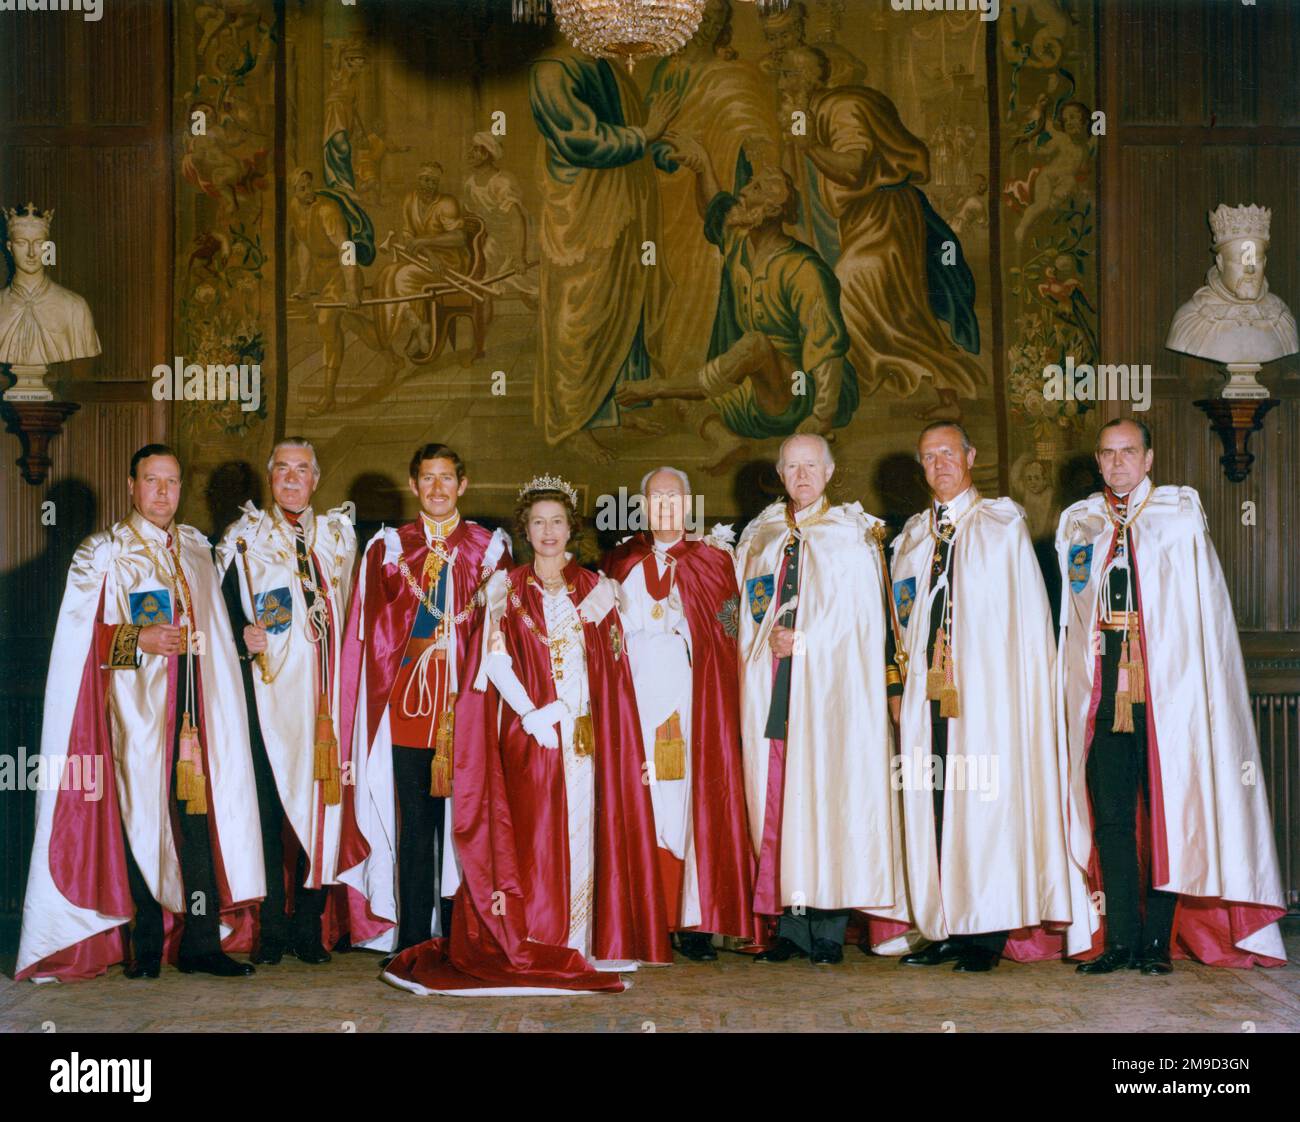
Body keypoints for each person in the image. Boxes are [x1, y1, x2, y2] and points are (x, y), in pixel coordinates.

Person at [16, 444, 263, 981]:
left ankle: (200, 944)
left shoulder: (196, 549)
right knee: (139, 822)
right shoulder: (103, 553)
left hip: (197, 717)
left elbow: (218, 633)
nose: (162, 493)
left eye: (172, 483)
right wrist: (140, 638)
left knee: (197, 826)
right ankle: (144, 945)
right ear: (131, 485)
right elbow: (81, 645)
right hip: (136, 717)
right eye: (152, 481)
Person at [1058, 418, 1287, 974]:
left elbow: (1201, 614)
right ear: (1098, 460)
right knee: (1112, 819)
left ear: (1149, 457)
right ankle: (1121, 943)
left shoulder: (1178, 515)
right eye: (1108, 454)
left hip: (1167, 698)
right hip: (1104, 693)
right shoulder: (1081, 523)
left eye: (1128, 452)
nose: (1117, 464)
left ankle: (1157, 945)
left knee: (1168, 815)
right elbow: (1071, 616)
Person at [891, 422, 1076, 973]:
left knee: (984, 808)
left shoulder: (1001, 525)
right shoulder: (912, 538)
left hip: (988, 698)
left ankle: (985, 933)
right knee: (937, 803)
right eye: (928, 457)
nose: (939, 464)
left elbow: (1024, 622)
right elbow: (900, 625)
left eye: (949, 453)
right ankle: (943, 926)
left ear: (971, 456)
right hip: (929, 698)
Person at [472, 475, 671, 969]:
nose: (548, 532)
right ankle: (538, 933)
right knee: (536, 834)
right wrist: (533, 713)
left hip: (584, 732)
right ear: (525, 529)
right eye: (538, 522)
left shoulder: (598, 589)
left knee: (585, 827)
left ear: (570, 528)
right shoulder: (505, 587)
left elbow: (611, 667)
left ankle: (582, 939)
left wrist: (587, 716)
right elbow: (494, 661)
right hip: (531, 733)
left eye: (557, 522)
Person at [734, 434, 910, 965]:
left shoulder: (852, 535)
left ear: (830, 471)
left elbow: (863, 625)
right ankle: (791, 926)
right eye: (792, 466)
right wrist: (766, 639)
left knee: (829, 800)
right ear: (780, 472)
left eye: (811, 466)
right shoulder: (761, 534)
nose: (802, 475)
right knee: (781, 800)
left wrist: (804, 639)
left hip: (833, 698)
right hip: (774, 689)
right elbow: (738, 614)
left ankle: (830, 930)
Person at [337, 444, 511, 959]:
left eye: (447, 479)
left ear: (463, 484)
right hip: (409, 710)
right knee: (415, 827)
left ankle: (464, 936)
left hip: (467, 711)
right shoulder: (388, 548)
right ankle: (413, 938)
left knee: (465, 825)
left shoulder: (490, 547)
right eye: (427, 479)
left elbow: (501, 634)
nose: (437, 488)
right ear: (413, 486)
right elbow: (367, 637)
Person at [777, 46, 983, 421]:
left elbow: (853, 168)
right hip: (859, 218)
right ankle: (946, 394)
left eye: (789, 75)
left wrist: (809, 144)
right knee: (903, 312)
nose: (782, 83)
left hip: (887, 213)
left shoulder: (844, 108)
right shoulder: (811, 113)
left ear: (810, 78)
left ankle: (833, 399)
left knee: (851, 288)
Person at [601, 466, 756, 960]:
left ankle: (693, 923)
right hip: (639, 705)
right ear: (642, 506)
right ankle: (648, 915)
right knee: (645, 802)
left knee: (690, 803)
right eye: (654, 498)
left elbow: (729, 639)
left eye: (673, 497)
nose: (664, 506)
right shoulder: (620, 560)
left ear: (689, 506)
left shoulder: (714, 561)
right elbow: (604, 640)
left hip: (695, 706)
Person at [216, 438, 357, 966]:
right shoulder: (242, 539)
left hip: (327, 704)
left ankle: (309, 926)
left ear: (316, 479)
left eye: (302, 470)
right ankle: (273, 926)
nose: (292, 479)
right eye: (282, 469)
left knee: (323, 812)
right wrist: (239, 633)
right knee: (272, 814)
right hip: (267, 698)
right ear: (269, 476)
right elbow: (217, 611)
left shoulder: (339, 538)